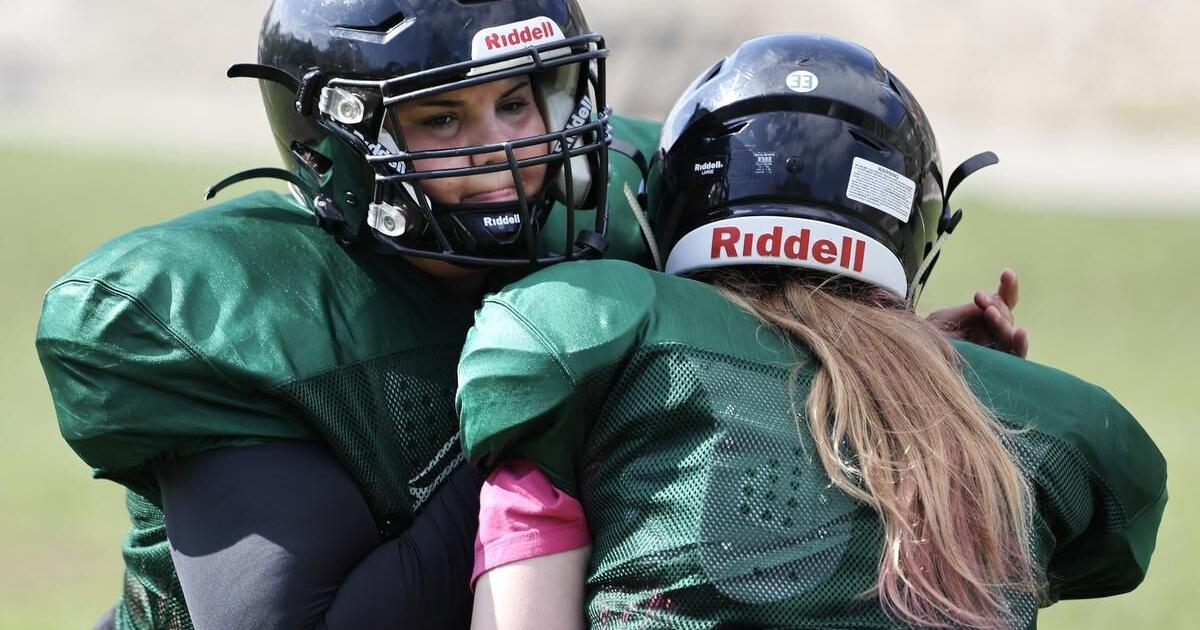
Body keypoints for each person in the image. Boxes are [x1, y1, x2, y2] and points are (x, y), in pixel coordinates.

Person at [37, 3, 1020, 629]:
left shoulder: (625, 198)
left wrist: (872, 351)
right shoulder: (254, 304)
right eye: (443, 119)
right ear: (333, 141)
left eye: (520, 100)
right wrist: (561, 410)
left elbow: (746, 353)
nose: (506, 149)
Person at [457, 34, 1167, 630]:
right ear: (917, 228)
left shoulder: (584, 340)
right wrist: (954, 391)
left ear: (667, 205)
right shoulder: (1048, 436)